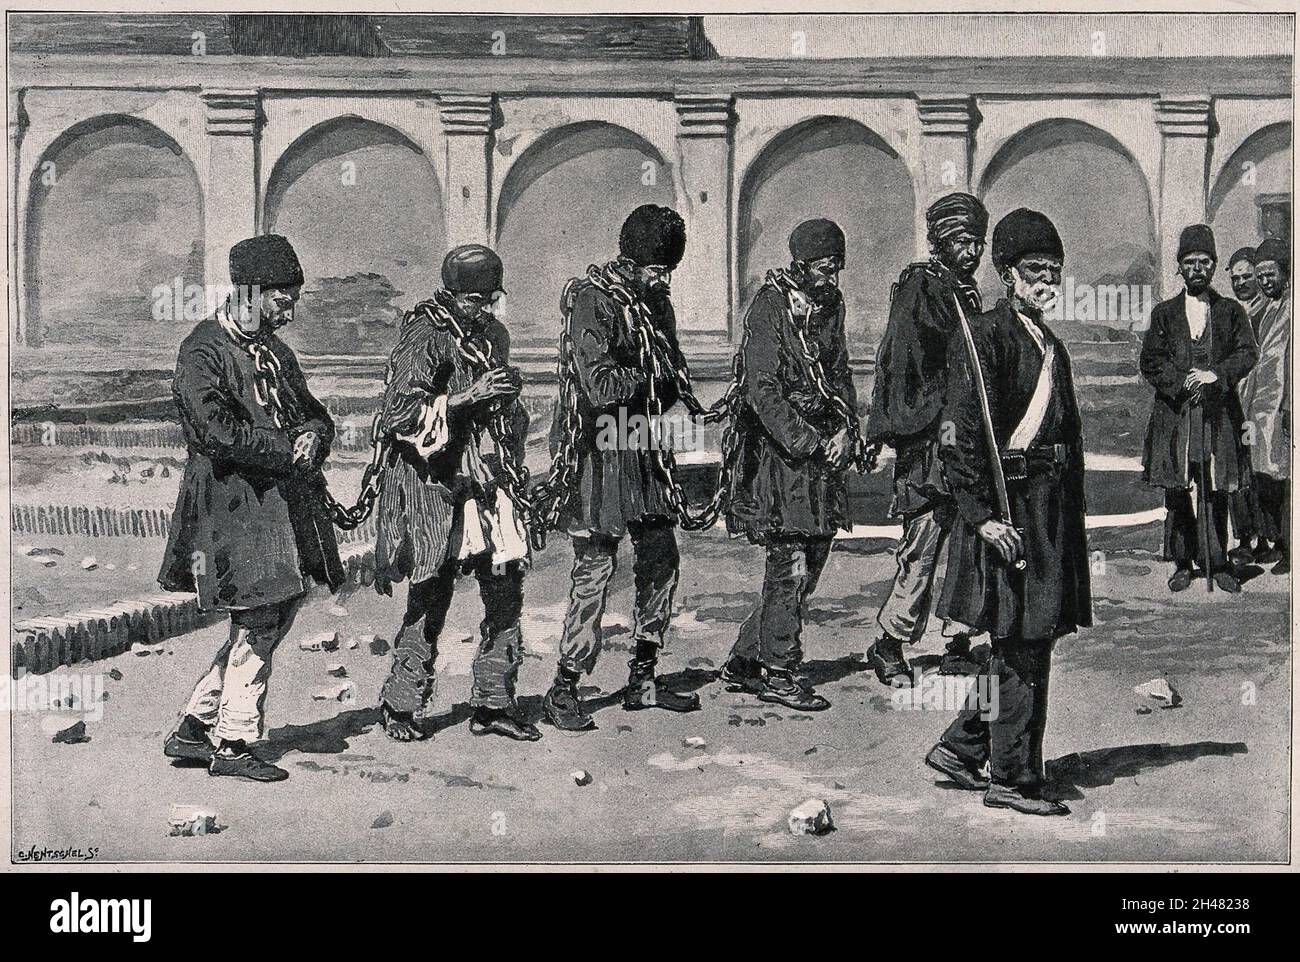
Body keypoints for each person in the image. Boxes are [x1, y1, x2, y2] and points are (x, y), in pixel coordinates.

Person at [924, 209, 1091, 817]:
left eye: (1055, 272)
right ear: (1007, 273)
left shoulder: (1052, 345)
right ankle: (1013, 779)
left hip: (1048, 512)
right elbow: (958, 439)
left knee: (1028, 638)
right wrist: (982, 518)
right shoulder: (986, 336)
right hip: (1007, 511)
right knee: (1023, 642)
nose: (1047, 282)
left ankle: (964, 747)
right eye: (1035, 271)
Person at [160, 234, 345, 782]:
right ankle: (235, 742)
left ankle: (195, 728)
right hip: (231, 504)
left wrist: (314, 435)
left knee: (272, 614)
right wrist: (289, 449)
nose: (291, 309)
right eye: (283, 299)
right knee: (261, 617)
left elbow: (314, 413)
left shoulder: (276, 353)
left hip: (280, 504)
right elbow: (216, 433)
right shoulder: (202, 349)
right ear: (253, 291)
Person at [541, 204, 701, 731]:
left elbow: (672, 371)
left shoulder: (656, 301)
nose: (663, 278)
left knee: (660, 559)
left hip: (643, 443)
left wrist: (660, 380)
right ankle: (566, 684)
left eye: (667, 270)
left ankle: (644, 677)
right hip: (602, 451)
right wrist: (652, 377)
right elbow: (601, 386)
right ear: (631, 259)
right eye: (657, 268)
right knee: (596, 566)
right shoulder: (592, 300)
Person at [373, 244, 539, 743]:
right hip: (436, 483)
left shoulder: (495, 335)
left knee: (505, 589)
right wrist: (471, 396)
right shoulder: (424, 335)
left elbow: (505, 409)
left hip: (488, 478)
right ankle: (401, 704)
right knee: (430, 593)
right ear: (451, 293)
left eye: (489, 300)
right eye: (473, 300)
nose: (482, 309)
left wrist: (508, 402)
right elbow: (399, 415)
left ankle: (493, 701)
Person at [718, 219, 859, 711]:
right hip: (781, 461)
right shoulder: (769, 306)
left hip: (822, 458)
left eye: (838, 268)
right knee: (790, 565)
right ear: (801, 265)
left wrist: (846, 431)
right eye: (825, 269)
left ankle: (743, 660)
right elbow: (763, 390)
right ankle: (778, 671)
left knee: (811, 561)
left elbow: (839, 373)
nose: (833, 279)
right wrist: (812, 441)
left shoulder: (830, 305)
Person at [863, 192, 989, 685]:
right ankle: (890, 643)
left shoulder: (968, 293)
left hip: (965, 439)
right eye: (961, 241)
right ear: (940, 242)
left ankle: (957, 640)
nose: (971, 251)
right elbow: (896, 360)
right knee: (924, 541)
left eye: (976, 242)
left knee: (969, 539)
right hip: (930, 440)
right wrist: (892, 427)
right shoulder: (921, 285)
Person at [1140, 225, 1258, 593]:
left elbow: (1247, 353)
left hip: (1217, 416)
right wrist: (1181, 381)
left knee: (1216, 488)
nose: (1197, 269)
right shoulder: (1164, 313)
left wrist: (1215, 375)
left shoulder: (1231, 311)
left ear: (1214, 266)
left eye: (1204, 263)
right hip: (1175, 417)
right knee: (1178, 490)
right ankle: (1181, 564)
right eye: (1189, 263)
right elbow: (1151, 360)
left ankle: (1217, 563)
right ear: (1179, 267)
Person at [1237, 237, 1291, 575]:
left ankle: (1288, 547)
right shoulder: (1268, 308)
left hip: (1283, 405)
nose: (1264, 280)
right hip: (1259, 406)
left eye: (1269, 274)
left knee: (1284, 479)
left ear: (1285, 273)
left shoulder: (1290, 308)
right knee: (1263, 475)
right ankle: (1270, 542)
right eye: (1261, 275)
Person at [1226, 246, 1267, 565]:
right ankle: (1244, 538)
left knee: (1259, 471)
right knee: (1237, 473)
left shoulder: (1268, 312)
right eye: (1236, 278)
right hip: (1234, 405)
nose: (1240, 283)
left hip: (1258, 404)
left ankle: (1265, 538)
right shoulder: (1230, 313)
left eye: (1247, 276)